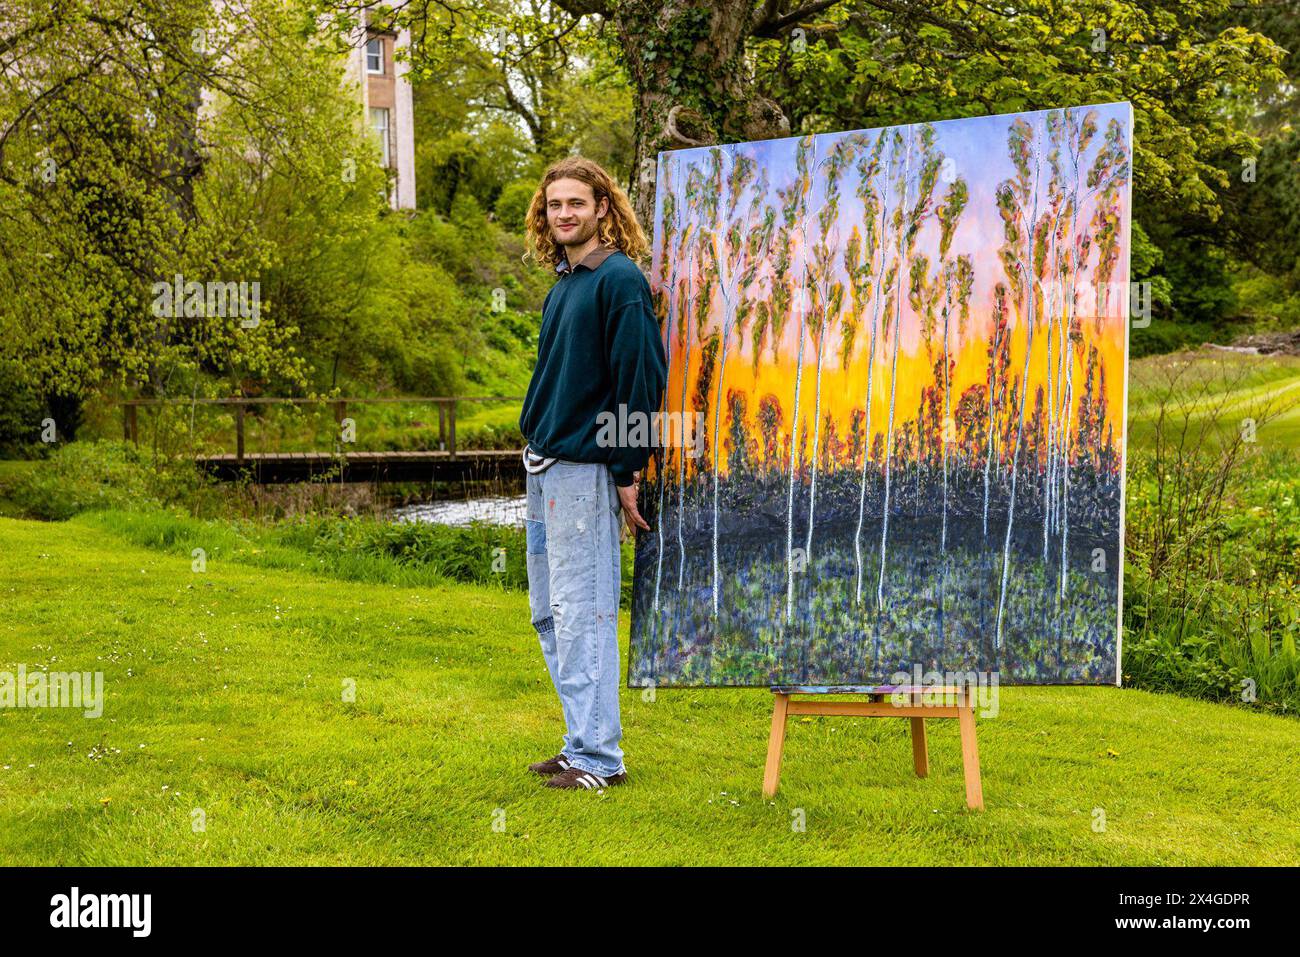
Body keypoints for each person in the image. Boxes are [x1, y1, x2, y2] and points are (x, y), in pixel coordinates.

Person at [518, 157, 667, 791]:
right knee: (550, 614)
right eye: (555, 206)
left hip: (583, 470)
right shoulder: (565, 283)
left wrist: (627, 469)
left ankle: (600, 760)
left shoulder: (618, 281)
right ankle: (580, 741)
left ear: (603, 208)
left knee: (584, 614)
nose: (564, 215)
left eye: (576, 203)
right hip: (543, 464)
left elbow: (641, 382)